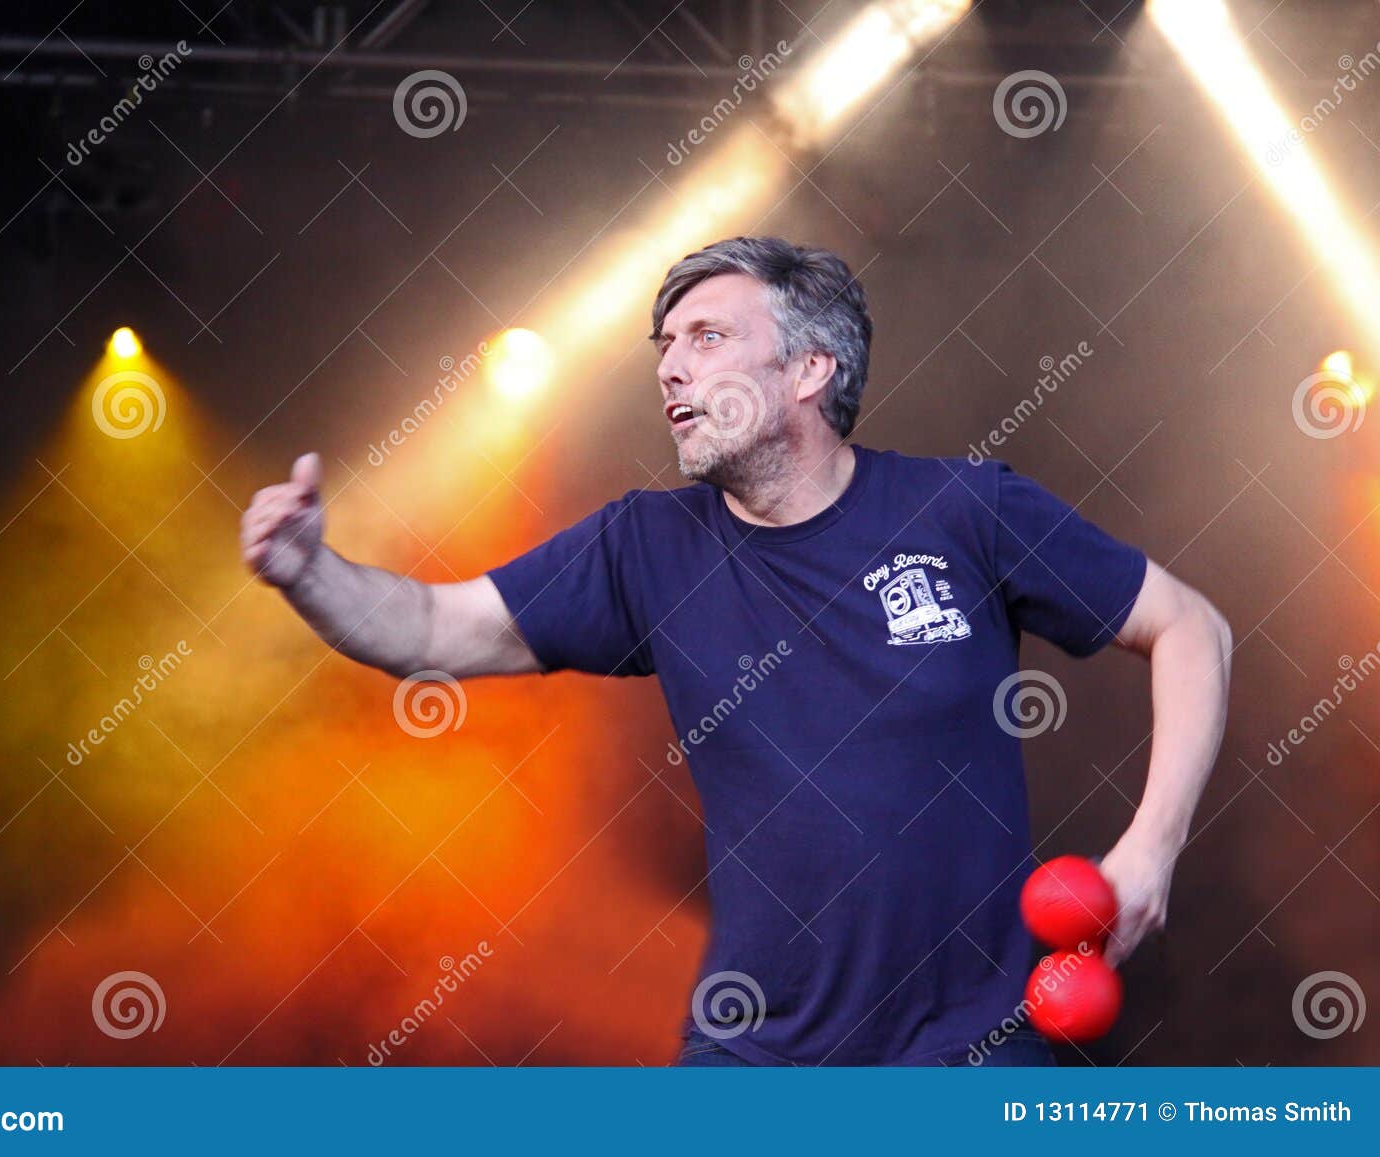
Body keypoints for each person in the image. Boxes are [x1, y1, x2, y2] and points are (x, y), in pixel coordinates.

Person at [239, 236, 1231, 1066]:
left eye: (707, 336)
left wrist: (1150, 847)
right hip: (753, 1059)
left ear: (808, 369)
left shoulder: (964, 509)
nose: (671, 365)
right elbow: (424, 629)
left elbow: (1193, 626)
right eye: (664, 344)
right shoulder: (644, 543)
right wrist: (308, 571)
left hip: (976, 1049)